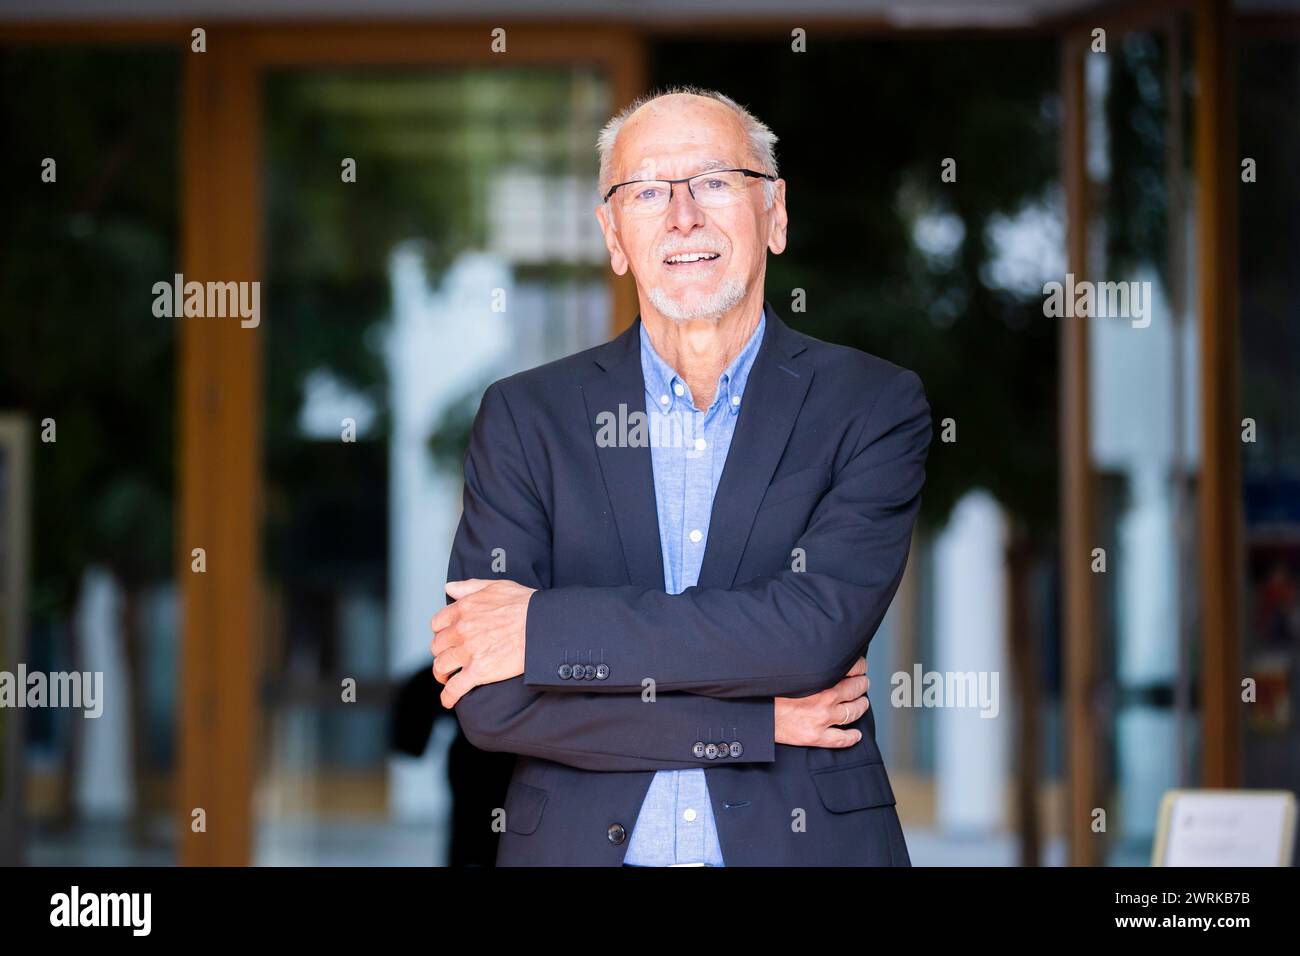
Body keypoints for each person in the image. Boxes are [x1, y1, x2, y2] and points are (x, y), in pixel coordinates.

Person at [430, 86, 930, 866]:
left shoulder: (871, 406)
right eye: (648, 192)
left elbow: (810, 641)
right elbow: (493, 702)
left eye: (715, 181)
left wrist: (539, 630)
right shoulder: (528, 417)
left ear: (777, 213)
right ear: (614, 235)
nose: (683, 216)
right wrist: (753, 723)